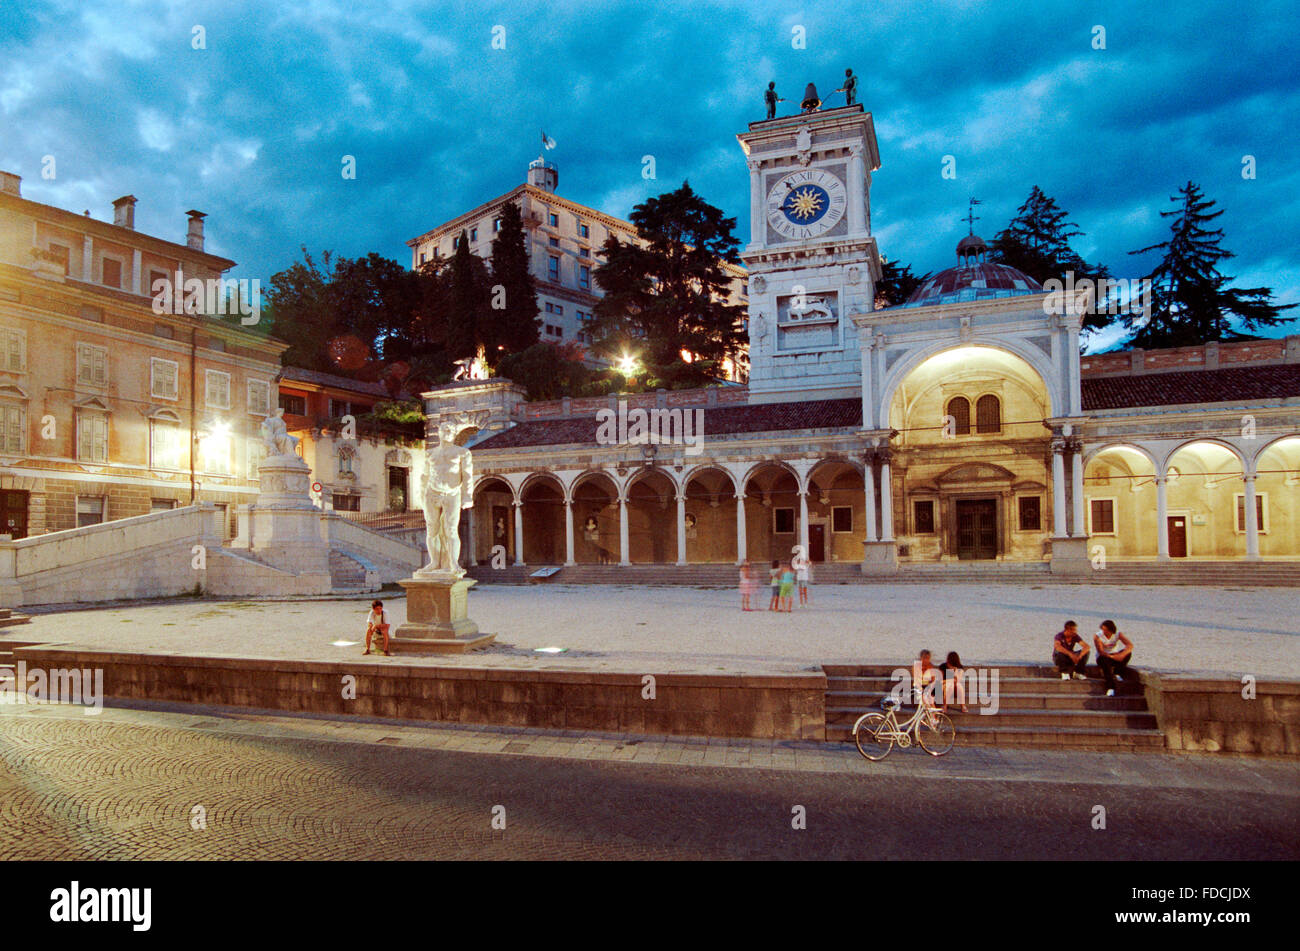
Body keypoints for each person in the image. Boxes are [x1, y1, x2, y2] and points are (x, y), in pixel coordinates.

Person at [1093, 619, 1135, 696]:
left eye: (1105, 630)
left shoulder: (1118, 634)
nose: (1103, 632)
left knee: (1128, 653)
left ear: (1111, 630)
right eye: (1102, 629)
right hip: (1103, 657)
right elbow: (1101, 652)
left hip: (1114, 655)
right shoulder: (1097, 636)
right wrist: (1113, 657)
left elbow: (1130, 645)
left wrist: (1121, 655)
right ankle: (1110, 687)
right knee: (1105, 663)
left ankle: (1117, 672)